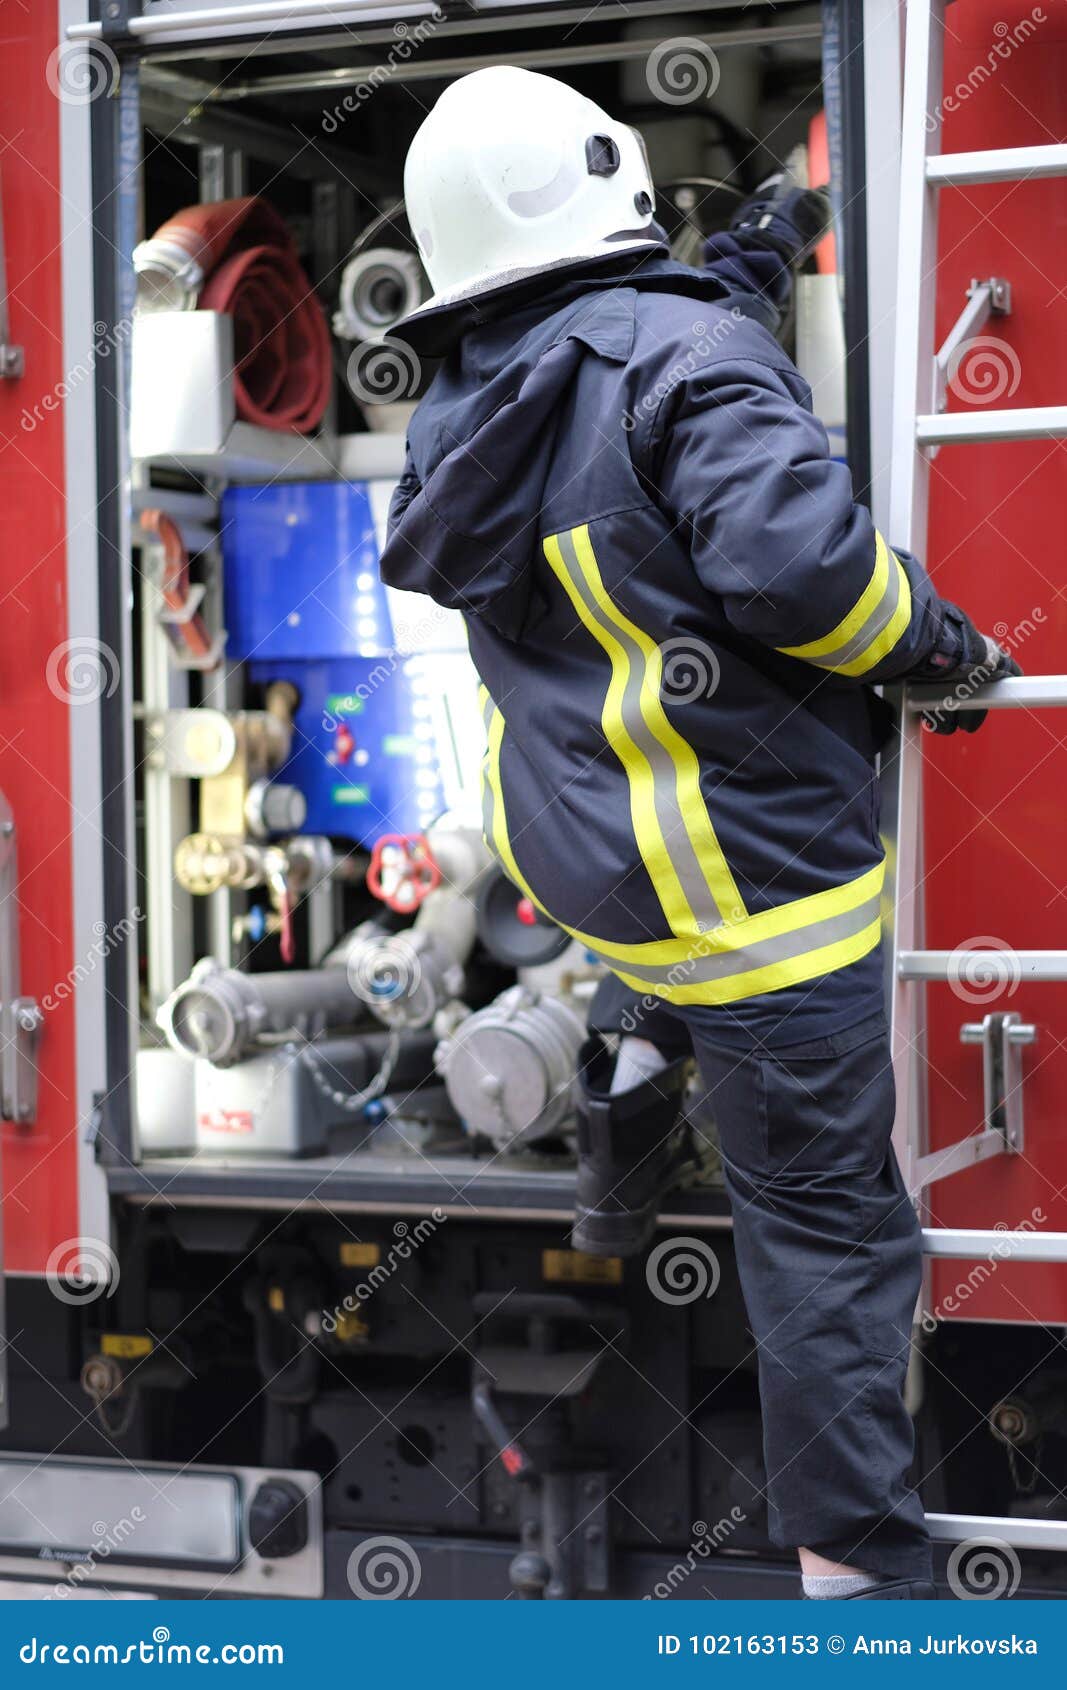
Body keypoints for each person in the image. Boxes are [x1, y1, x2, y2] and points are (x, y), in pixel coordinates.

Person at [380, 66, 1019, 1602]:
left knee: (676, 1012)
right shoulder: (685, 359)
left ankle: (627, 1107)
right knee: (828, 1241)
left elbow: (619, 387)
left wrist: (749, 266)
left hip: (615, 886)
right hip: (765, 907)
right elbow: (805, 574)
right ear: (606, 177)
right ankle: (857, 1580)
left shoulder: (472, 401)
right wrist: (937, 647)